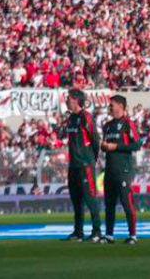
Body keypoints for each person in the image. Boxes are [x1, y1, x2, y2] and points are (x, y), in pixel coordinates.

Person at [61, 88, 103, 242]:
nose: (66, 101)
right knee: (76, 199)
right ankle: (78, 232)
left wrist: (91, 159)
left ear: (76, 100)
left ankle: (97, 231)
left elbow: (95, 139)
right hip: (73, 165)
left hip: (85, 165)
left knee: (90, 198)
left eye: (69, 99)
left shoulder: (86, 116)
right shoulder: (71, 118)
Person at [100, 94, 142, 244]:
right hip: (109, 169)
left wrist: (116, 146)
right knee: (109, 204)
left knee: (126, 202)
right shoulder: (108, 125)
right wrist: (104, 146)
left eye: (112, 104)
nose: (110, 107)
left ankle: (133, 235)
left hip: (123, 169)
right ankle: (109, 235)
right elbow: (105, 145)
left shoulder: (128, 124)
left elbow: (137, 144)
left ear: (120, 106)